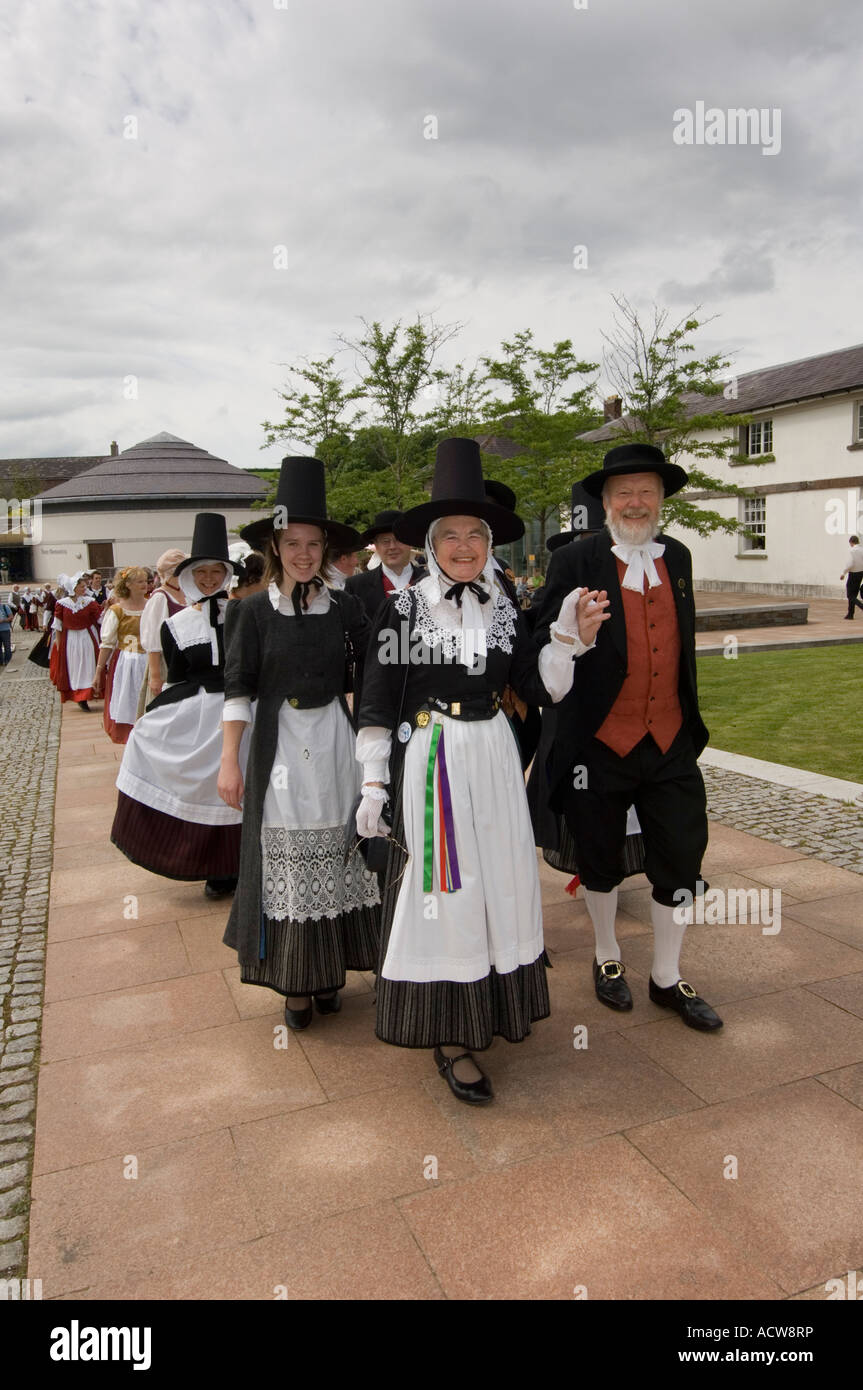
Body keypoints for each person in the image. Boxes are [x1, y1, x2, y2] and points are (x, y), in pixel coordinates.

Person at [355, 437, 608, 1104]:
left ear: (488, 541)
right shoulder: (403, 607)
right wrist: (374, 781)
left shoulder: (503, 605)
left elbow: (537, 685)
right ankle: (447, 1032)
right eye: (452, 535)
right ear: (431, 543)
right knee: (446, 886)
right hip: (434, 753)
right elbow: (378, 697)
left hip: (493, 751)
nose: (465, 546)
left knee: (497, 877)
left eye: (476, 534)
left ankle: (489, 1003)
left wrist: (566, 639)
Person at [532, 442, 722, 1032]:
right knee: (599, 857)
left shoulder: (681, 558)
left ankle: (667, 976)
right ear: (606, 503)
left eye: (645, 491)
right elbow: (539, 633)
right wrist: (573, 632)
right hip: (598, 742)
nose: (635, 503)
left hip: (670, 740)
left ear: (662, 498)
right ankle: (607, 956)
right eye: (622, 494)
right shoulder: (577, 560)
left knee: (683, 858)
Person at [219, 457, 381, 1030]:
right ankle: (295, 983)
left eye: (314, 544)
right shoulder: (251, 613)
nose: (304, 553)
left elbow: (378, 667)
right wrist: (228, 763)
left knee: (338, 849)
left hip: (335, 741)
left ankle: (329, 968)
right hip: (279, 749)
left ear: (326, 550)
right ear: (274, 547)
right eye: (293, 543)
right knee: (287, 860)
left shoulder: (344, 608)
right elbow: (237, 689)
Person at [111, 515, 246, 899]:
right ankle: (217, 870)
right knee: (205, 789)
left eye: (215, 571)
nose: (208, 579)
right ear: (188, 575)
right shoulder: (178, 624)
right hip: (202, 714)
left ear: (226, 574)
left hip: (244, 710)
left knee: (247, 788)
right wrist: (157, 717)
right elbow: (178, 678)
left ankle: (247, 866)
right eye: (200, 572)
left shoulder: (248, 614)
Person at [92, 566, 150, 744]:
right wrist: (99, 671)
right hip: (127, 661)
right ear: (129, 585)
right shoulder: (117, 610)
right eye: (140, 581)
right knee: (129, 702)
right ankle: (132, 740)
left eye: (146, 581)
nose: (145, 585)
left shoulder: (152, 605)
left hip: (150, 660)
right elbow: (107, 644)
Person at [345, 510, 425, 622]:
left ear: (409, 542)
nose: (392, 547)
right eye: (385, 541)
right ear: (376, 546)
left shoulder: (431, 581)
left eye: (398, 540)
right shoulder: (356, 586)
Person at [137, 549, 187, 711]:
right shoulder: (160, 597)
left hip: (186, 660)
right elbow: (153, 639)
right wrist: (155, 676)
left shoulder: (186, 594)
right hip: (166, 662)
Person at [48, 573, 102, 710]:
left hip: (87, 638)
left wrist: (108, 608)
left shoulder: (89, 602)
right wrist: (59, 645)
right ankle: (79, 695)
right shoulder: (62, 604)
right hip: (70, 640)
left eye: (85, 586)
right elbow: (58, 626)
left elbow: (100, 619)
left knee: (89, 665)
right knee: (75, 667)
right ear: (74, 588)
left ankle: (88, 693)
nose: (84, 588)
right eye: (81, 586)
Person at [841, 535, 863, 618]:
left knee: (850, 595)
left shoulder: (852, 551)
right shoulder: (862, 550)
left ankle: (860, 606)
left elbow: (850, 564)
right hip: (861, 573)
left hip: (853, 574)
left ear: (851, 542)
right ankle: (850, 614)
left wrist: (843, 573)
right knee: (854, 594)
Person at [0, 594, 13, 668]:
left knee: (7, 645)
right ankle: (1, 661)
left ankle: (8, 660)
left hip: (5, 629)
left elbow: (11, 617)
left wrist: (4, 620)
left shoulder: (5, 607)